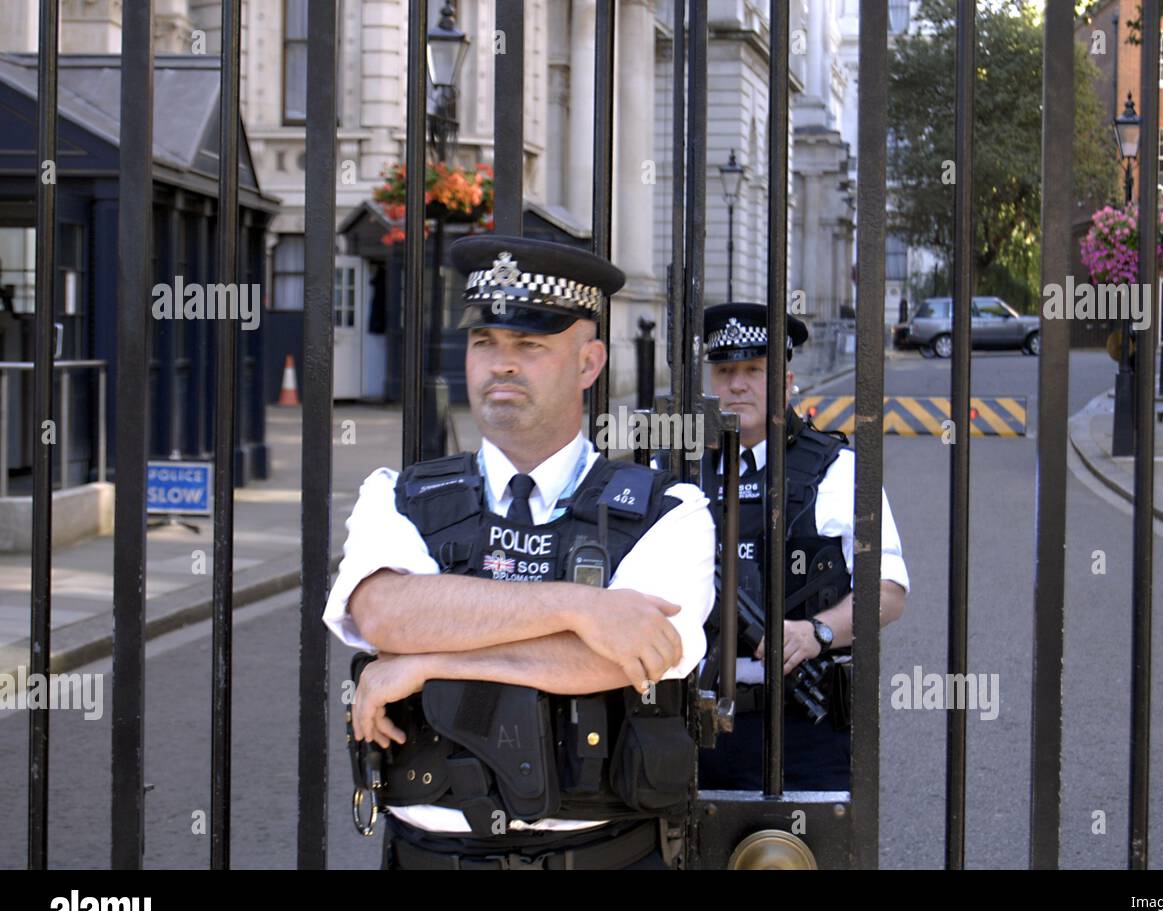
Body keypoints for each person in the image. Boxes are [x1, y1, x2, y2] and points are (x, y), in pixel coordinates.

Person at [322, 235, 715, 869]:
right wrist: (577, 607)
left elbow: (633, 654)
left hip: (605, 855)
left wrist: (424, 664)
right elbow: (385, 614)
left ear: (588, 364)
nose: (501, 365)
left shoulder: (669, 511)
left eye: (529, 347)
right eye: (485, 344)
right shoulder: (398, 496)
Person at [692, 302, 909, 791]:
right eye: (725, 370)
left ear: (786, 379)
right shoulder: (681, 474)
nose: (738, 384)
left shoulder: (839, 470)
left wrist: (819, 632)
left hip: (804, 730)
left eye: (754, 369)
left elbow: (890, 591)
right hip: (694, 722)